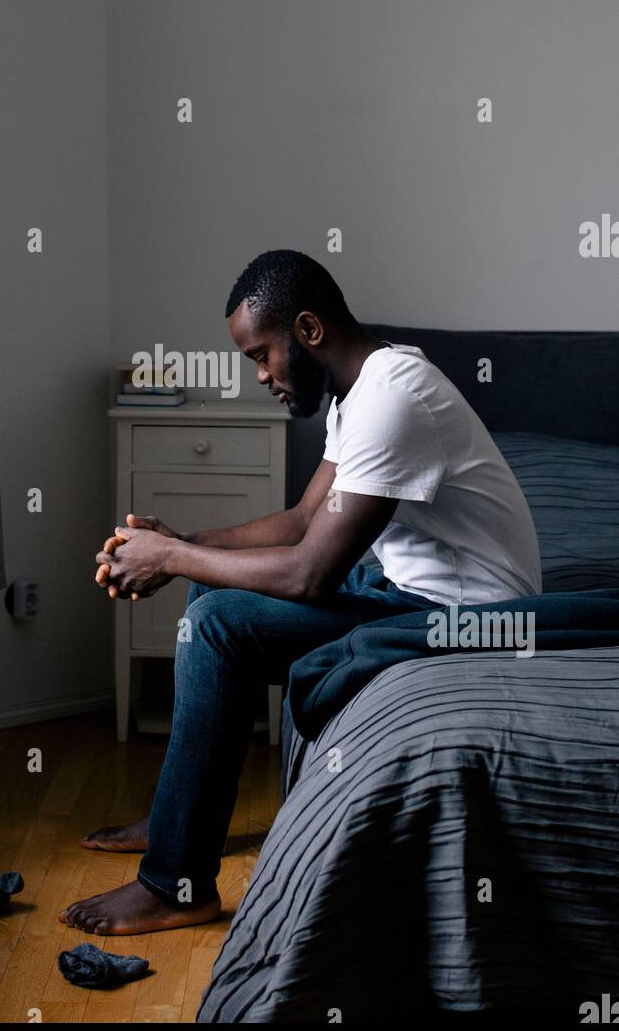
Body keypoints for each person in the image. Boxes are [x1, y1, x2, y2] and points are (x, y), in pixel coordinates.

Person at [58, 249, 542, 935]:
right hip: (413, 592)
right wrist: (184, 540)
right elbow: (299, 521)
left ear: (308, 330)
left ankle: (177, 887)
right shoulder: (361, 392)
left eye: (262, 355)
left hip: (466, 622)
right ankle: (182, 813)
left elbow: (308, 570)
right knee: (210, 604)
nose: (262, 377)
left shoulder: (395, 396)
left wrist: (175, 556)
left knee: (221, 624)